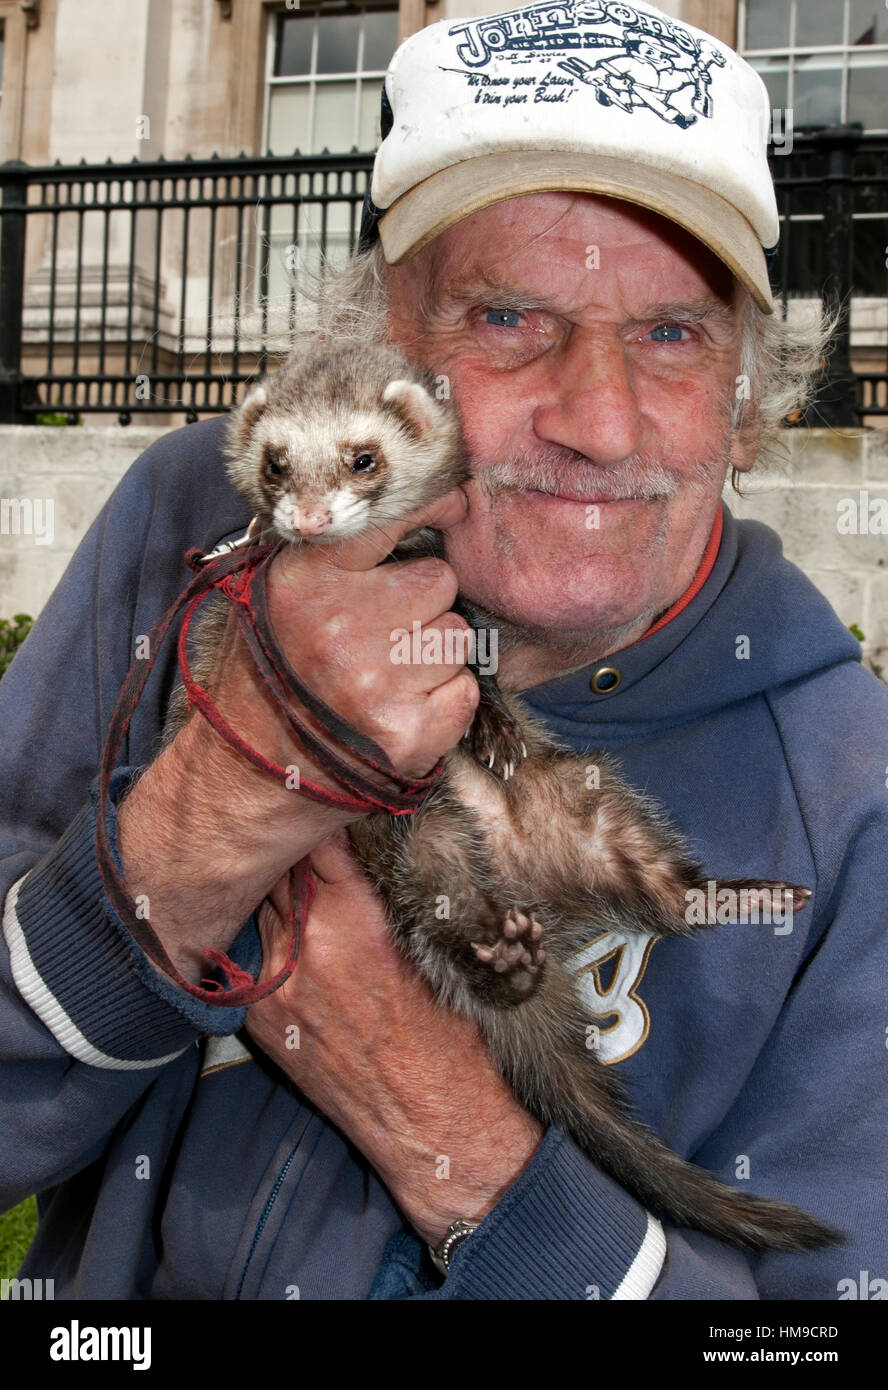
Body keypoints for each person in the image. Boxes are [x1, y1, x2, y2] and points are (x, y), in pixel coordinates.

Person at [1, 0, 885, 1301]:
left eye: (671, 333)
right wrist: (201, 824)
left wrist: (448, 1133)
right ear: (386, 354)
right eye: (510, 317)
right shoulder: (192, 531)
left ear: (751, 406)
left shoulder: (851, 801)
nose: (597, 419)